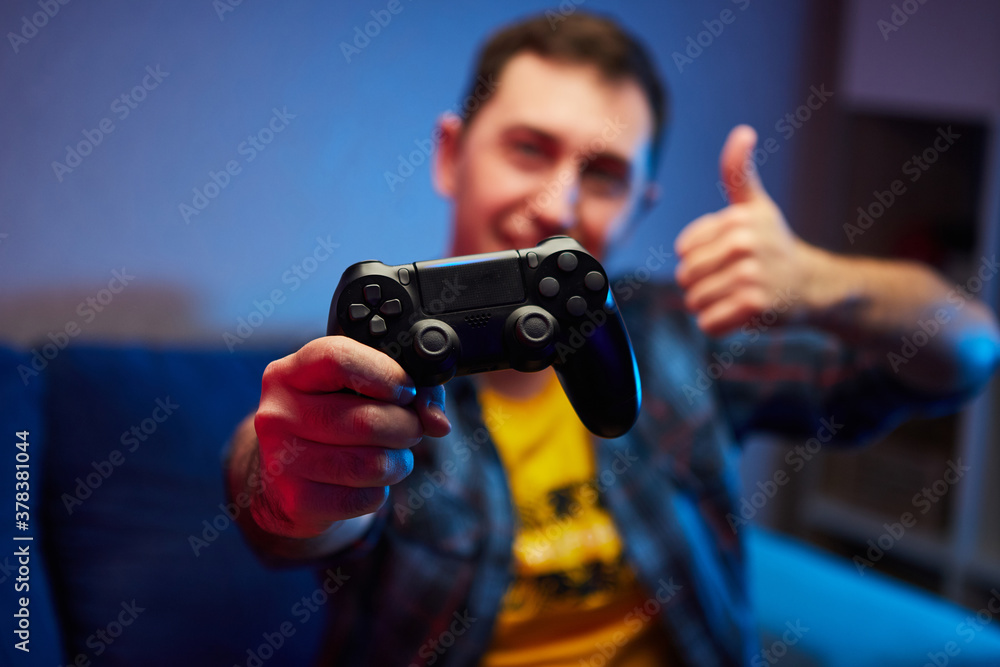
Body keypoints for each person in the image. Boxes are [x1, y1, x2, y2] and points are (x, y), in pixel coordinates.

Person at [225, 11, 1000, 666]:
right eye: (529, 148)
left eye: (603, 174)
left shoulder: (679, 338)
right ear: (451, 154)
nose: (556, 204)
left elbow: (967, 352)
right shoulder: (375, 365)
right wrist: (298, 474)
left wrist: (818, 279)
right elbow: (283, 507)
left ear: (641, 203)